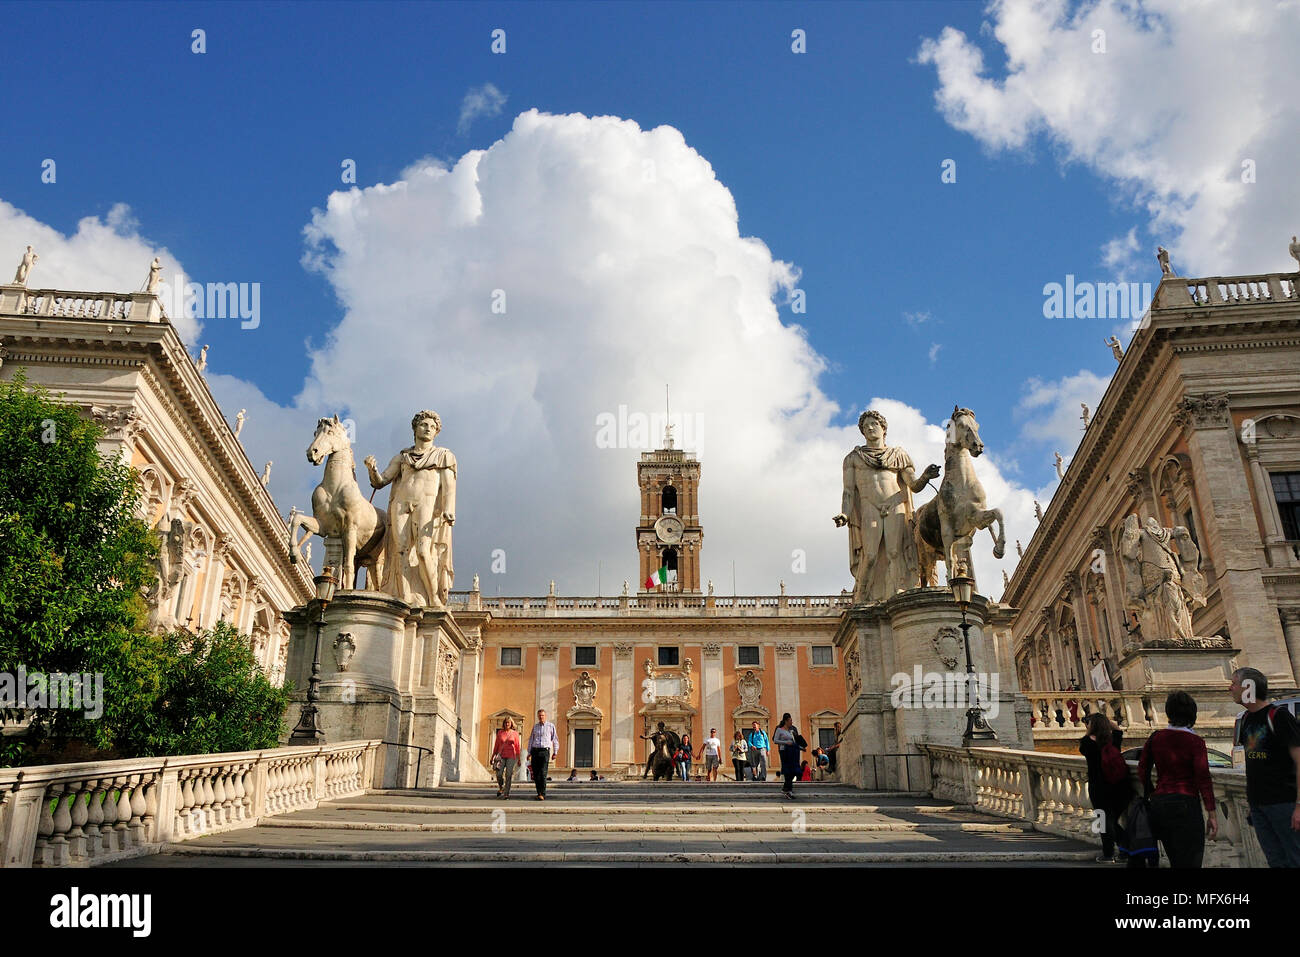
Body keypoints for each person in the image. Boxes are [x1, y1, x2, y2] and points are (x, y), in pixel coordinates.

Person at [1229, 667, 1300, 866]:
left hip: (1284, 803)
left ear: (1249, 687)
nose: (1230, 688)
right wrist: (1253, 802)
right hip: (1259, 805)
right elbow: (1254, 765)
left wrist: (1299, 806)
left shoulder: (1279, 716)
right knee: (1275, 860)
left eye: (1234, 683)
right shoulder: (1245, 720)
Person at [1138, 691, 1217, 867]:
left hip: (1161, 803)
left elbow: (1142, 769)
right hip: (1186, 803)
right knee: (1191, 860)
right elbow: (1203, 778)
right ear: (1192, 713)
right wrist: (1211, 813)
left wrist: (1152, 791)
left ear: (1169, 713)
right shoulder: (1195, 741)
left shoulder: (1156, 738)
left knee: (1174, 858)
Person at [1078, 712, 1131, 862]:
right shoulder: (1114, 740)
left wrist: (1090, 726)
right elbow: (1118, 729)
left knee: (1102, 821)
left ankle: (1108, 854)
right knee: (1112, 820)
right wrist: (1106, 721)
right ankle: (1126, 849)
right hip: (1119, 786)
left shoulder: (1086, 743)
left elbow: (1085, 747)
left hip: (1098, 787)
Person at [527, 708, 559, 801]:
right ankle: (539, 793)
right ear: (538, 717)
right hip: (535, 750)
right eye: (540, 716)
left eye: (542, 715)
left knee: (543, 773)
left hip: (545, 751)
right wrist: (529, 752)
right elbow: (531, 740)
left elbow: (555, 739)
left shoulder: (550, 726)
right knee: (536, 774)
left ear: (545, 716)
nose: (541, 717)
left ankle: (543, 793)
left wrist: (555, 752)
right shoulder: (535, 727)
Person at [773, 713, 805, 799]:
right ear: (786, 721)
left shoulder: (791, 730)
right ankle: (788, 790)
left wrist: (800, 747)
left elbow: (795, 741)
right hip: (784, 751)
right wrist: (786, 742)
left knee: (793, 771)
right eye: (790, 720)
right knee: (788, 771)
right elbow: (775, 740)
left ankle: (786, 788)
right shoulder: (779, 730)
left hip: (793, 752)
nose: (792, 722)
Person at [490, 716, 521, 800]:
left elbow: (517, 746)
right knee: (499, 774)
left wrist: (519, 759)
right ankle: (501, 787)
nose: (507, 724)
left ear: (511, 724)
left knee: (508, 774)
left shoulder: (515, 733)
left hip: (511, 756)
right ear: (504, 724)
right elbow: (496, 745)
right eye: (506, 722)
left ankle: (506, 793)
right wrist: (492, 756)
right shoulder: (500, 733)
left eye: (509, 723)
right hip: (501, 756)